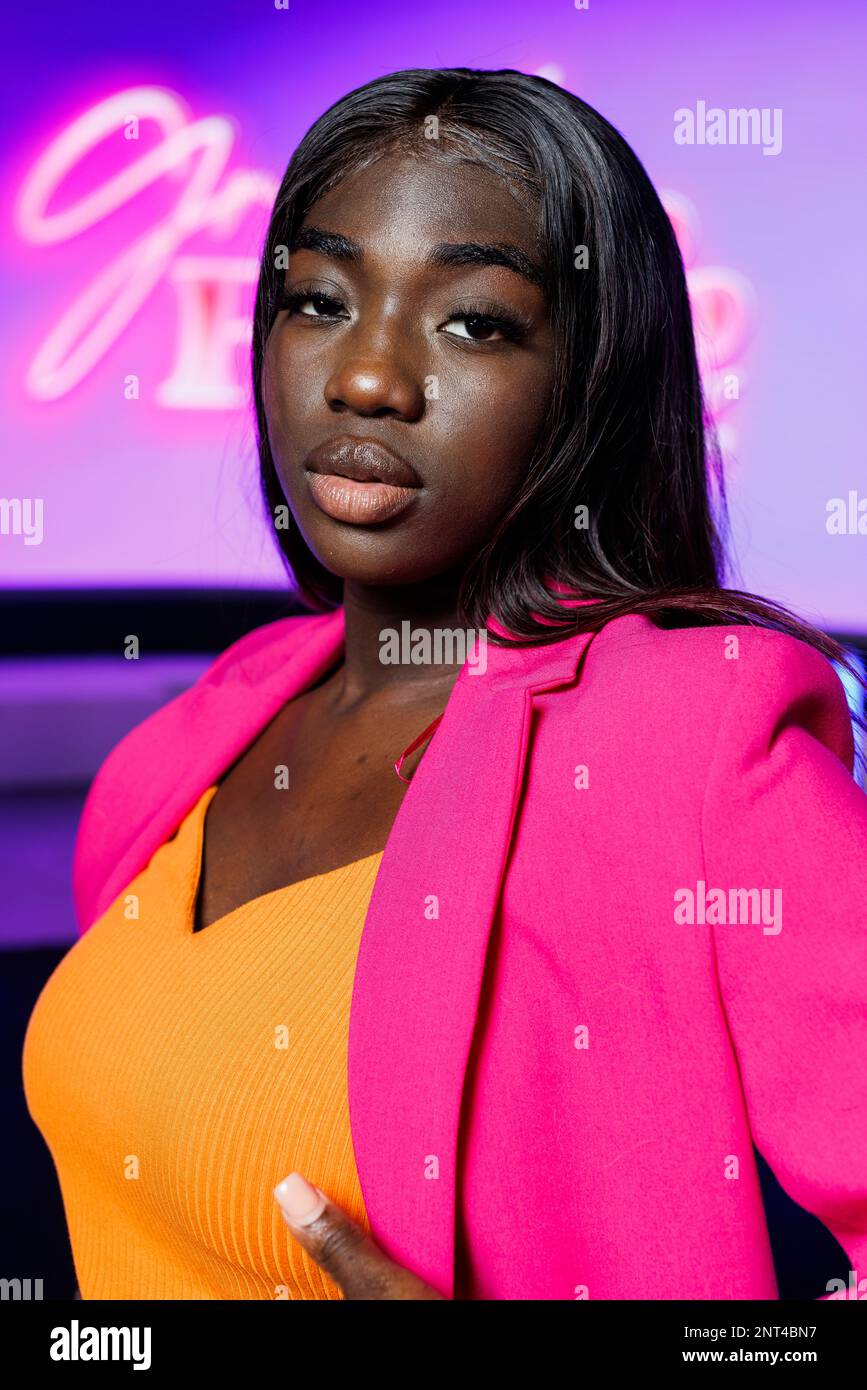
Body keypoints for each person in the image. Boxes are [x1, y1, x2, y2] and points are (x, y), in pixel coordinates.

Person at [22, 67, 867, 1301]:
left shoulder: (691, 738)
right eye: (318, 299)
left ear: (591, 383)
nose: (366, 379)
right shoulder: (206, 730)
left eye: (473, 322)